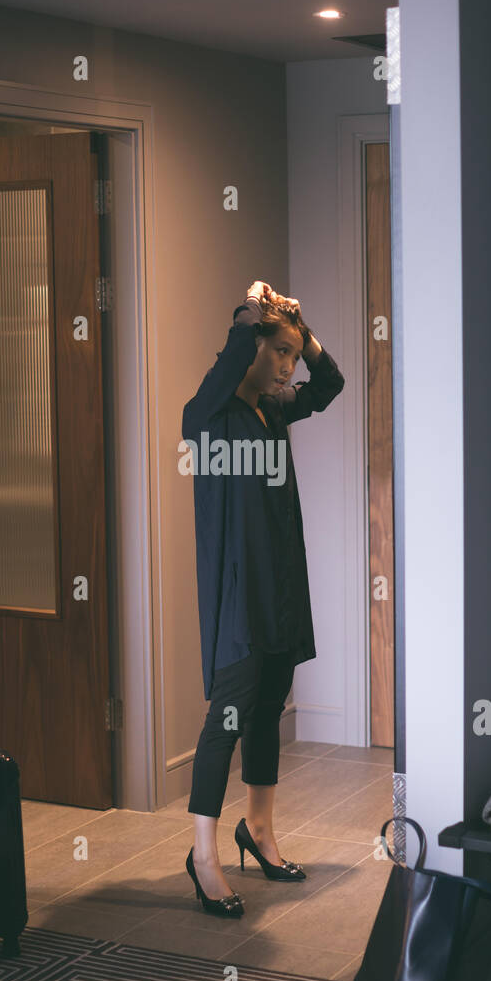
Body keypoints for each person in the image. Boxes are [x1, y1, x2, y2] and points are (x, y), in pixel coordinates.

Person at [180, 280, 345, 915]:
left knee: (268, 709)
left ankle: (260, 830)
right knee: (226, 718)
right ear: (250, 346)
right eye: (279, 352)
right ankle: (202, 856)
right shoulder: (208, 414)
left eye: (291, 355)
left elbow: (328, 386)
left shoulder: (272, 411)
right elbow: (227, 363)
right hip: (236, 597)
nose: (287, 365)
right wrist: (255, 314)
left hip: (277, 587)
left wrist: (303, 327)